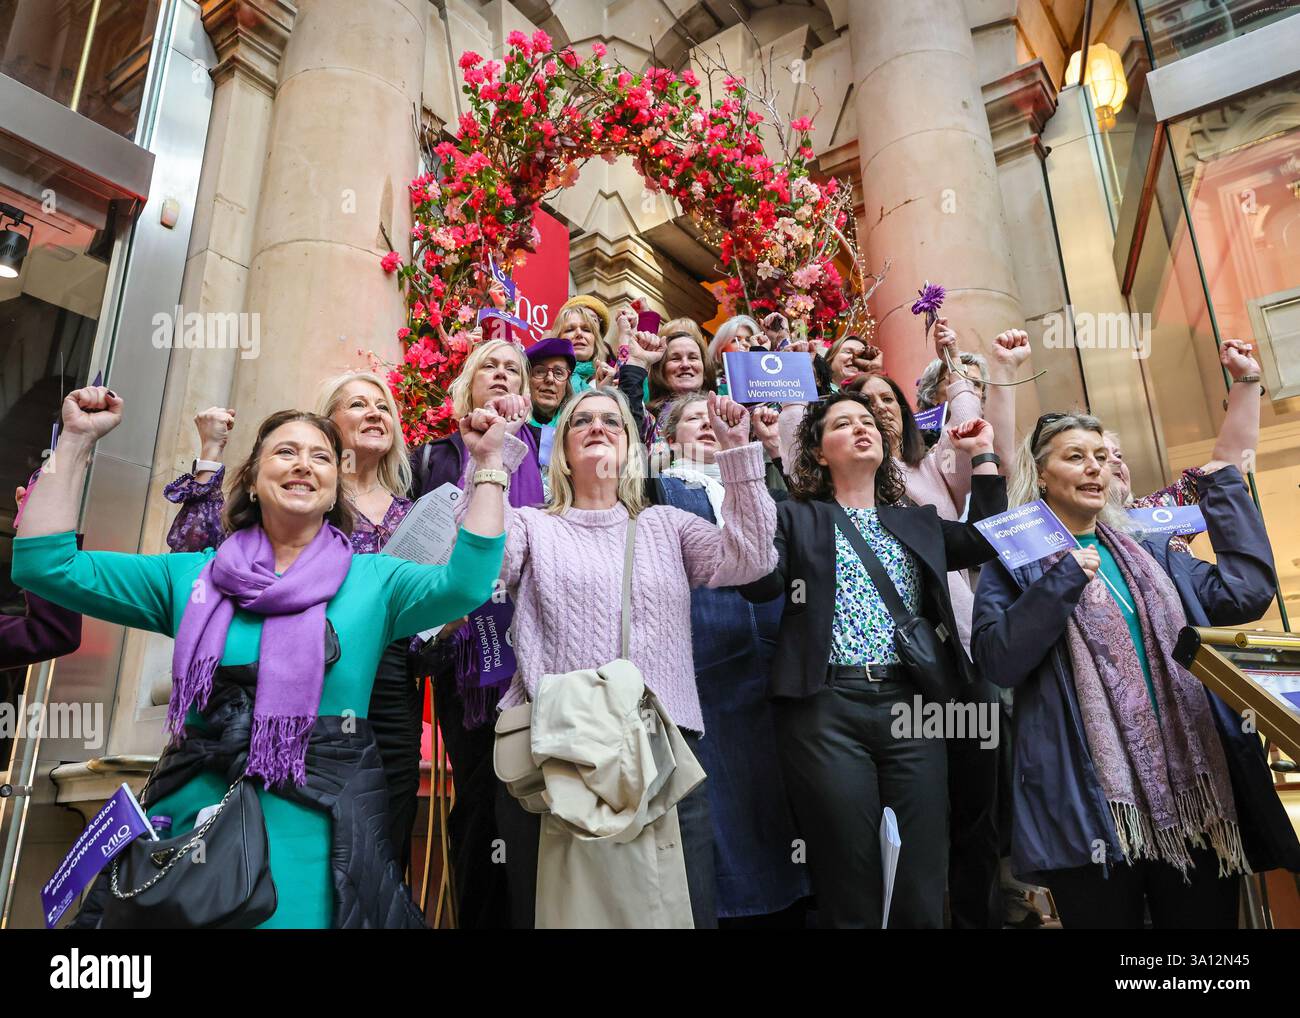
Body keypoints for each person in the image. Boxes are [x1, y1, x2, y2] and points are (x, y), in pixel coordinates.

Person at [14, 387, 507, 928]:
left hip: (316, 846)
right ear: (251, 477)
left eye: (320, 456)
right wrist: (78, 441)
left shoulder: (375, 581)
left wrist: (487, 466)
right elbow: (47, 567)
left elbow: (467, 583)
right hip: (190, 841)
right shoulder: (191, 578)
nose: (303, 465)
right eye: (285, 452)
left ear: (334, 486)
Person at [972, 412, 1300, 928]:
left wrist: (1223, 487)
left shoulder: (1151, 550)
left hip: (1197, 799)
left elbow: (1247, 593)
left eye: (1102, 457)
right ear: (1040, 475)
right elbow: (997, 660)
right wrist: (1059, 582)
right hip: (1091, 808)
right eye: (1076, 457)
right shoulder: (1015, 563)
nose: (1095, 468)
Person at [476, 385, 778, 929]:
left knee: (678, 910)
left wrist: (737, 453)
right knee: (555, 911)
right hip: (556, 755)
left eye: (613, 421)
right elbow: (473, 571)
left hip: (663, 751)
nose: (598, 427)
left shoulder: (667, 524)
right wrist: (492, 460)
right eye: (581, 421)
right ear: (562, 452)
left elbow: (752, 559)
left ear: (632, 447)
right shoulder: (530, 524)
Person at [738, 392, 1005, 928]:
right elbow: (761, 585)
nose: (862, 428)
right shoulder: (796, 517)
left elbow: (988, 540)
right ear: (816, 452)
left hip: (913, 707)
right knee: (849, 870)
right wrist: (752, 465)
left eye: (869, 422)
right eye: (843, 423)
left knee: (921, 868)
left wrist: (983, 455)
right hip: (824, 708)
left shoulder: (917, 521)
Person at [160, 371, 428, 867]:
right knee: (291, 813)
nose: (375, 413)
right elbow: (194, 553)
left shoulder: (416, 514)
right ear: (327, 426)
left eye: (383, 406)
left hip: (388, 685)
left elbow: (432, 616)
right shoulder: (294, 497)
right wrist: (209, 458)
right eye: (358, 405)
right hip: (297, 668)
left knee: (383, 826)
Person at [648, 394, 810, 924]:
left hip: (781, 655)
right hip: (709, 662)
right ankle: (744, 906)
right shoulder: (661, 492)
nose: (711, 426)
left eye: (719, 418)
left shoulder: (763, 486)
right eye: (696, 420)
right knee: (731, 795)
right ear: (668, 442)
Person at [1107, 339, 1263, 554]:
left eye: (1118, 455)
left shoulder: (1152, 514)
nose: (1115, 461)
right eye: (1099, 456)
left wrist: (1247, 379)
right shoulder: (1052, 536)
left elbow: (1228, 466)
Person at [645, 320, 716, 444]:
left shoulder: (724, 412)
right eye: (675, 358)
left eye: (693, 357)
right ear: (661, 370)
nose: (685, 364)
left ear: (705, 369)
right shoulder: (648, 418)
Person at [555, 296, 612, 393]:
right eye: (570, 329)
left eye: (586, 330)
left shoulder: (608, 380)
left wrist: (604, 393)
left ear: (596, 341)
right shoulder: (543, 377)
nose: (579, 334)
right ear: (557, 338)